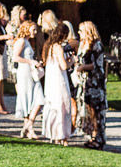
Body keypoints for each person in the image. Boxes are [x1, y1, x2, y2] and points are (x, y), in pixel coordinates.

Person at [76, 21, 108, 149]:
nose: (79, 33)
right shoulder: (83, 44)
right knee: (89, 109)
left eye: (81, 30)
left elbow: (98, 65)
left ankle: (98, 137)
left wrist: (83, 67)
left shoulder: (96, 45)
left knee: (97, 110)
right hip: (85, 82)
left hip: (95, 82)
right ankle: (92, 135)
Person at [11, 19, 44, 139]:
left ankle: (28, 126)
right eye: (33, 29)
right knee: (28, 98)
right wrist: (31, 61)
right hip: (24, 72)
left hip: (31, 71)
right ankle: (29, 127)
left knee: (38, 98)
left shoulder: (28, 42)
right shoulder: (21, 41)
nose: (35, 32)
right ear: (27, 29)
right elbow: (15, 57)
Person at [41, 24, 73, 145]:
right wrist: (72, 61)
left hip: (50, 79)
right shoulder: (58, 47)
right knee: (62, 105)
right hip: (59, 79)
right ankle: (62, 136)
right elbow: (64, 66)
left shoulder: (47, 45)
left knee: (53, 105)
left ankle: (53, 134)